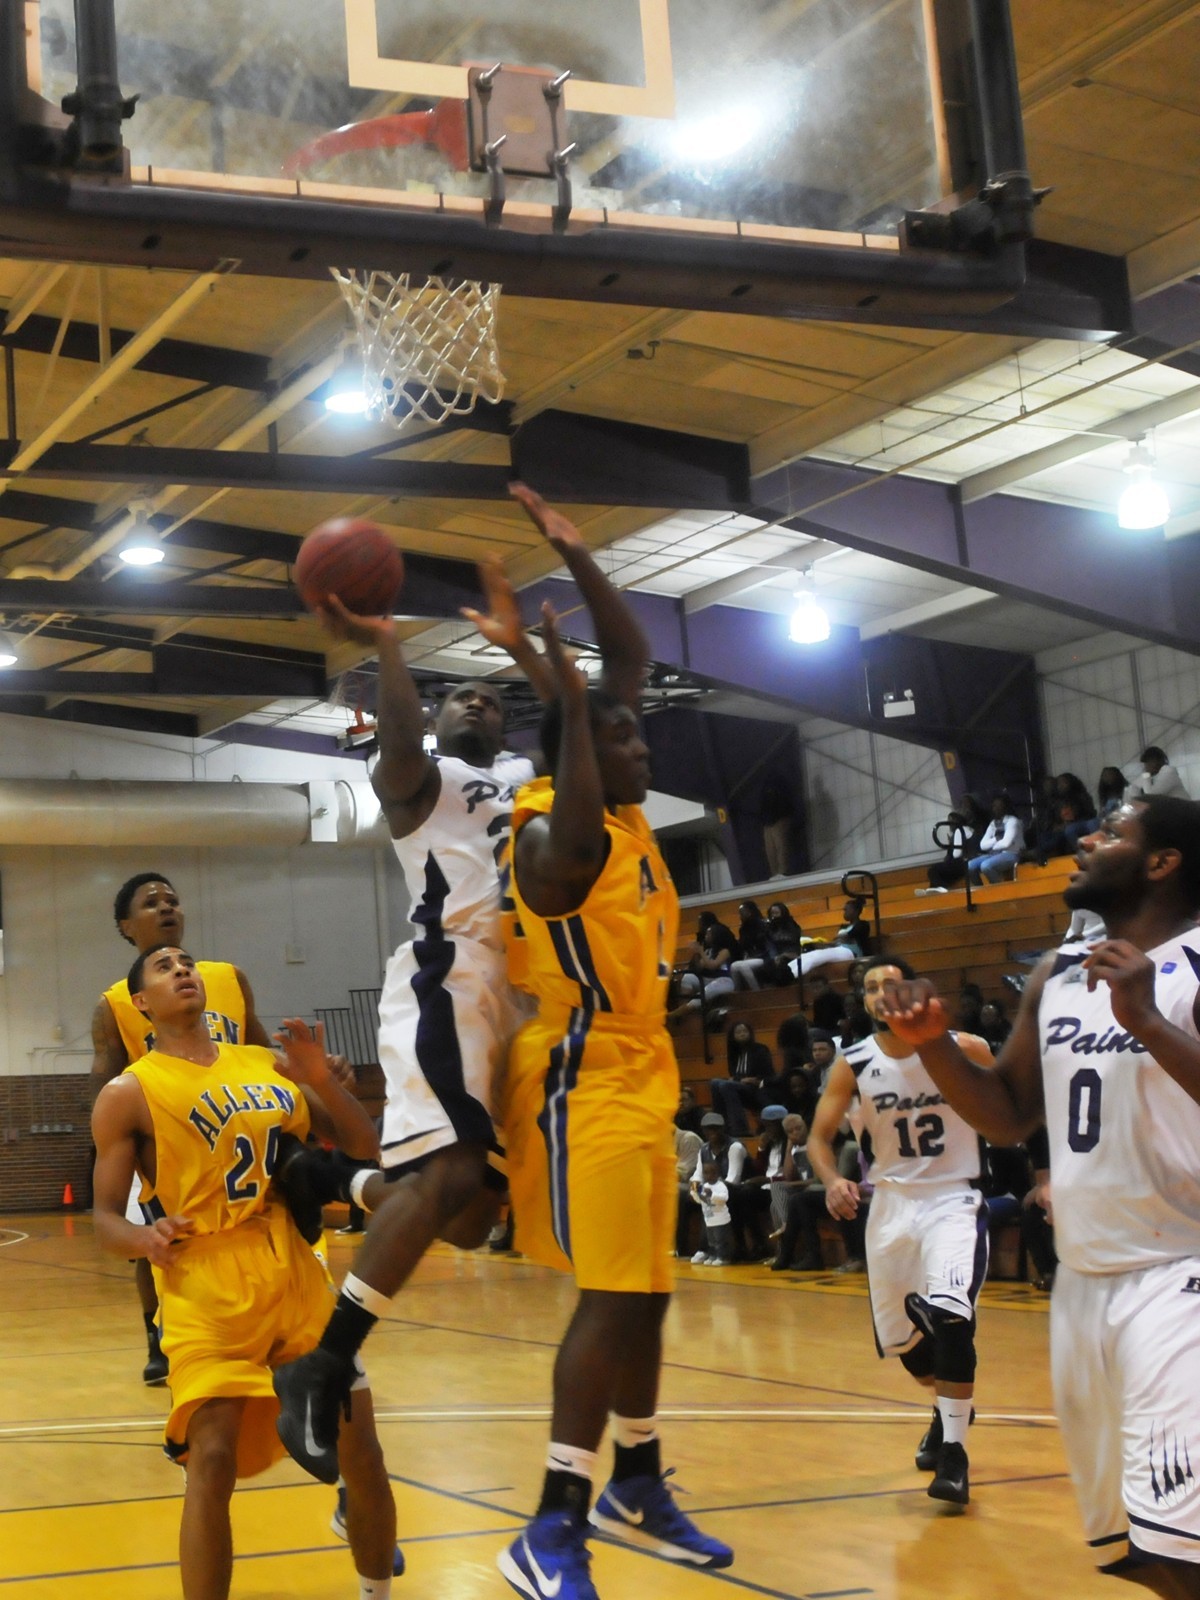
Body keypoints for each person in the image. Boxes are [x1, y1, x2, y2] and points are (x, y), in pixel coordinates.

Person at [271, 483, 649, 1485]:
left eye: (488, 694)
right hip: (453, 975)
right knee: (448, 1173)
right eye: (457, 695)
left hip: (531, 998)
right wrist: (389, 649)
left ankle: (335, 1182)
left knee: (475, 1211)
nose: (476, 700)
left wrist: (566, 566)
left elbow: (617, 683)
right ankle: (322, 1365)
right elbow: (398, 744)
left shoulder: (535, 778)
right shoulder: (424, 782)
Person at [878, 794, 1200, 1592]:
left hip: (1182, 1275)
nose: (1086, 840)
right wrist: (934, 1049)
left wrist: (1148, 1021)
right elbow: (1011, 1115)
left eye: (1112, 832)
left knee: (1183, 1547)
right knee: (1137, 1552)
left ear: (1162, 863)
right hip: (1084, 1286)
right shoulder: (1058, 974)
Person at [498, 605, 733, 1598]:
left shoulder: (624, 818)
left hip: (645, 1068)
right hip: (579, 1073)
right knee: (607, 1298)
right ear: (582, 757)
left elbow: (628, 659)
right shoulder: (551, 838)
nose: (643, 746)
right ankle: (551, 1520)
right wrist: (556, 678)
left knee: (648, 1295)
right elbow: (583, 736)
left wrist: (569, 556)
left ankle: (635, 1476)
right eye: (622, 738)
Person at [90, 946, 397, 1600]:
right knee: (211, 1459)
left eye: (186, 962)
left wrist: (324, 1081)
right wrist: (144, 1237)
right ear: (140, 1003)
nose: (182, 970)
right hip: (203, 1277)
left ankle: (377, 1593)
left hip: (293, 1268)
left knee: (361, 1449)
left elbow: (363, 1145)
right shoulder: (129, 1093)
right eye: (164, 968)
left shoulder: (264, 1064)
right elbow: (103, 1220)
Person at [808, 956, 994, 1507]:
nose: (880, 993)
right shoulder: (854, 1062)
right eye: (869, 987)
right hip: (890, 1205)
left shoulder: (966, 1048)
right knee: (905, 1345)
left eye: (890, 983)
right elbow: (818, 1138)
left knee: (952, 1319)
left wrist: (1044, 1176)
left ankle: (955, 1455)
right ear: (864, 1002)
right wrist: (832, 1179)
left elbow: (1015, 1106)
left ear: (913, 989)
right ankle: (947, 1408)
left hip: (953, 1197)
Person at [91, 872, 273, 1387]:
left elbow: (261, 1050)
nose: (167, 908)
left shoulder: (227, 978)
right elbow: (105, 1080)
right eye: (151, 904)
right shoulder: (114, 1002)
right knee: (157, 1240)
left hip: (241, 1123)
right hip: (168, 1136)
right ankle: (160, 1334)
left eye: (172, 900)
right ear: (126, 926)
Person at [709, 1019, 774, 1134]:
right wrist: (741, 1080)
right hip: (739, 1086)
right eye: (738, 1032)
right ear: (733, 1036)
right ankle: (721, 1127)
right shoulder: (734, 1053)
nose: (742, 1034)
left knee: (726, 1085)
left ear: (750, 1033)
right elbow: (734, 1075)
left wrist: (745, 1080)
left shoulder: (760, 1049)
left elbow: (767, 1073)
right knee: (714, 1083)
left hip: (757, 1088)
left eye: (745, 1031)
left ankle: (741, 1129)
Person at [791, 896, 870, 977]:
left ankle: (792, 975)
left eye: (847, 910)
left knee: (817, 957)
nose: (844, 912)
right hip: (840, 950)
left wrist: (839, 940)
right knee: (809, 955)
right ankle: (787, 971)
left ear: (856, 911)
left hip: (852, 953)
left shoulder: (862, 924)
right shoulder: (844, 927)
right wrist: (822, 944)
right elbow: (837, 941)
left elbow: (848, 937)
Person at [690, 1156, 735, 1266]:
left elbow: (724, 1198)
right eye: (705, 1173)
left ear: (717, 1174)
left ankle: (723, 1257)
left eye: (712, 1173)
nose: (708, 1175)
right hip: (709, 1220)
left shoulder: (721, 1186)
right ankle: (713, 1255)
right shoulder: (704, 1186)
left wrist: (712, 1194)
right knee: (711, 1241)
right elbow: (701, 1201)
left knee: (720, 1240)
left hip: (721, 1220)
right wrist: (695, 1194)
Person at [968, 793, 1023, 884]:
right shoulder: (993, 823)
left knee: (986, 866)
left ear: (1005, 807)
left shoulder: (1012, 821)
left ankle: (1000, 888)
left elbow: (1006, 843)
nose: (996, 809)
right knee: (970, 865)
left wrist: (992, 845)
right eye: (994, 806)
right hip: (994, 854)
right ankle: (981, 889)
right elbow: (982, 845)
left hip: (1011, 854)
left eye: (999, 806)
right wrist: (996, 839)